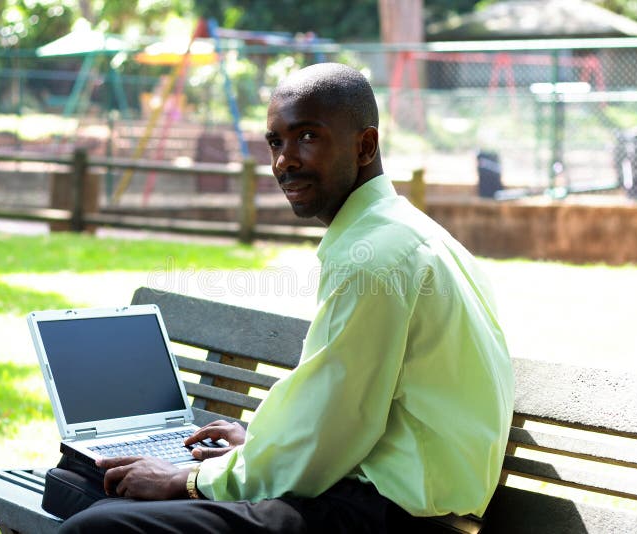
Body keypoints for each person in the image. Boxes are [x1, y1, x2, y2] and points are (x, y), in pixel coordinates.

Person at [61, 63, 514, 533]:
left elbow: (328, 436)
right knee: (97, 498)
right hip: (378, 496)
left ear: (365, 146)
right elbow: (339, 414)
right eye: (275, 142)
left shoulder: (376, 258)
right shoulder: (410, 235)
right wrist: (258, 444)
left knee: (98, 526)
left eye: (307, 137)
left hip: (391, 518)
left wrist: (190, 479)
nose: (285, 160)